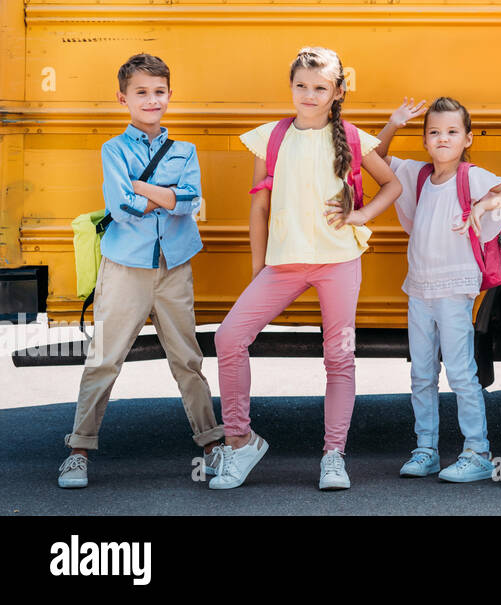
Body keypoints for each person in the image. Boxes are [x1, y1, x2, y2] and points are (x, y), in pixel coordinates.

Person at [208, 46, 402, 491]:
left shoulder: (353, 138)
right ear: (291, 87)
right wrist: (259, 268)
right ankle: (240, 442)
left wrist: (362, 216)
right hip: (283, 265)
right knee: (229, 337)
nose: (309, 95)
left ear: (336, 92)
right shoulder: (271, 138)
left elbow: (391, 185)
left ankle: (334, 455)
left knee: (339, 357)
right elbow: (259, 206)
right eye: (301, 86)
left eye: (320, 88)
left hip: (339, 263)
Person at [57, 54, 224, 488]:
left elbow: (192, 202)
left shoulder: (184, 150)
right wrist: (166, 195)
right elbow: (123, 208)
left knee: (187, 358)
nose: (152, 100)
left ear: (170, 95)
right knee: (105, 359)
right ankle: (79, 449)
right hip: (125, 268)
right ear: (123, 98)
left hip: (174, 266)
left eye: (159, 92)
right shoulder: (113, 149)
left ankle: (212, 444)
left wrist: (145, 188)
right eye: (141, 92)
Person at [374, 96, 501, 483]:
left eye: (452, 132)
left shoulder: (471, 176)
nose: (442, 139)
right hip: (420, 288)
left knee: (461, 371)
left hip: (456, 288)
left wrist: (485, 204)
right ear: (425, 141)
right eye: (434, 132)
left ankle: (477, 451)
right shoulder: (418, 176)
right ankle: (425, 449)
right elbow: (373, 160)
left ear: (467, 139)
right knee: (421, 374)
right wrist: (393, 124)